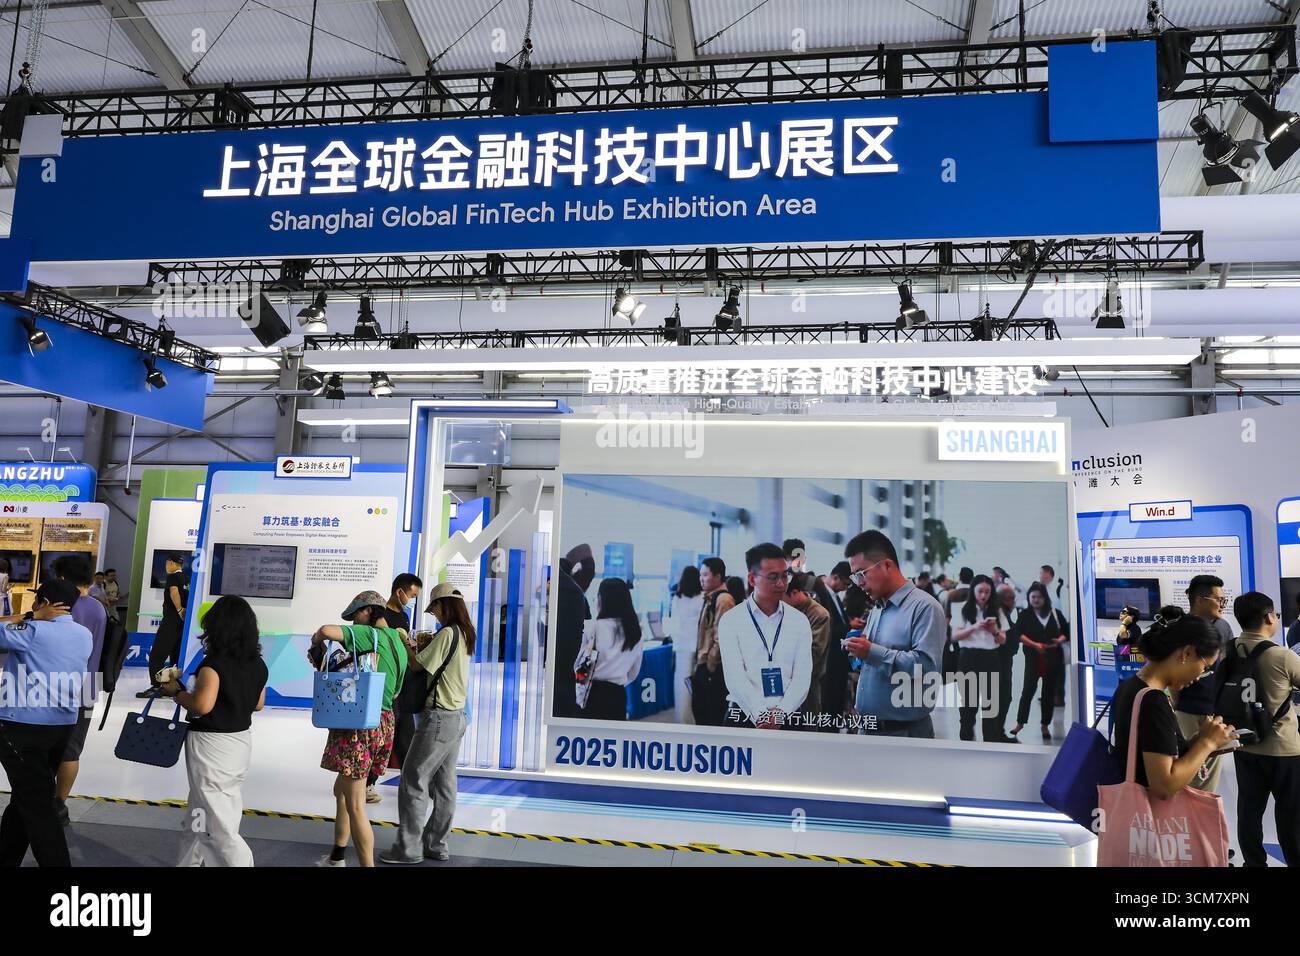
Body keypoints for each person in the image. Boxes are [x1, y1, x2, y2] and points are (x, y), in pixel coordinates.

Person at [159, 595, 267, 867]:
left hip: (210, 746)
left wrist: (177, 693)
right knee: (200, 811)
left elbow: (202, 705)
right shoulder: (257, 664)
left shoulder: (213, 665)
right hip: (239, 742)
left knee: (219, 826)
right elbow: (258, 703)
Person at [310, 590, 409, 868]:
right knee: (342, 790)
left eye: (356, 616)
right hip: (385, 723)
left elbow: (326, 630)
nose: (355, 622)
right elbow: (397, 689)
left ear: (368, 611)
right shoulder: (399, 645)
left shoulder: (371, 636)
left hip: (359, 726)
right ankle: (337, 856)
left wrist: (317, 639)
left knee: (355, 804)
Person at [381, 583, 475, 865]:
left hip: (438, 718)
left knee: (413, 779)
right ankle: (436, 844)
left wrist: (403, 640)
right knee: (445, 784)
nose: (434, 614)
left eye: (434, 608)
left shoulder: (447, 633)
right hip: (458, 716)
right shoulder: (465, 633)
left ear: (445, 605)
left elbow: (416, 665)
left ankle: (407, 849)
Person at [0, 580, 92, 867]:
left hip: (21, 727)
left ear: (44, 602)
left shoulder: (32, 631)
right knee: (27, 798)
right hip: (60, 727)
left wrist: (30, 618)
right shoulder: (83, 634)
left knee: (37, 806)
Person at [1110, 606, 1234, 801]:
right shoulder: (1153, 700)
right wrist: (1207, 743)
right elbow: (1164, 786)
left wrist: (1200, 740)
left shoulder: (1132, 685)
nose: (1200, 677)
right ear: (1187, 653)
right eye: (1204, 667)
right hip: (1150, 821)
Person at [843, 531, 945, 738]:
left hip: (903, 733)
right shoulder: (878, 608)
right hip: (869, 728)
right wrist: (859, 653)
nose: (859, 582)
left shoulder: (924, 607)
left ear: (887, 565)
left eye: (862, 573)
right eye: (854, 577)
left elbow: (925, 668)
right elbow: (874, 661)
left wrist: (872, 652)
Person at [1225, 591, 1300, 867]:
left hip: (1244, 743)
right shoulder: (1281, 655)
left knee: (1249, 810)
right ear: (1269, 617)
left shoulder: (1228, 649)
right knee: (1291, 813)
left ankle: (1254, 864)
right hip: (1283, 747)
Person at [717, 543, 812, 728]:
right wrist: (760, 714)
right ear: (752, 579)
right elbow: (735, 677)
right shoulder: (731, 620)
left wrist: (779, 715)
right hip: (743, 715)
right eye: (773, 577)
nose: (781, 584)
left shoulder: (799, 621)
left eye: (785, 576)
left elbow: (802, 677)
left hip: (788, 716)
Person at [51, 554, 106, 825]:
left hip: (59, 685)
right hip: (90, 685)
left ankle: (43, 800)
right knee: (72, 749)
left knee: (47, 745)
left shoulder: (63, 606)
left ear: (62, 577)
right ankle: (60, 805)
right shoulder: (99, 607)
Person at [1173, 575, 1233, 792]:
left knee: (1208, 779)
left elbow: (1226, 669)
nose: (1222, 605)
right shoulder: (1179, 627)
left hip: (1214, 711)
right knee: (1188, 772)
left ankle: (1201, 820)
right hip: (1187, 712)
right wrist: (1177, 703)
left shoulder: (1223, 627)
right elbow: (1172, 679)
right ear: (1200, 599)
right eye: (1219, 600)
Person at [368, 572, 424, 805]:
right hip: (382, 685)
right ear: (399, 591)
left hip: (403, 684)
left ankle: (410, 783)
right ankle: (367, 783)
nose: (411, 599)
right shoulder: (379, 614)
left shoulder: (405, 617)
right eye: (410, 595)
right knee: (379, 738)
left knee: (406, 737)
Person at [951, 575, 1015, 743]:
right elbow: (954, 636)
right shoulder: (962, 608)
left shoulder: (997, 610)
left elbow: (1003, 640)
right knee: (967, 707)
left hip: (990, 658)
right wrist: (974, 627)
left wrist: (994, 630)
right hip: (968, 658)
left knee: (991, 706)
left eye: (987, 591)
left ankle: (991, 743)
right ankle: (966, 741)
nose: (983, 595)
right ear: (973, 591)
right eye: (980, 591)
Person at [577, 578, 645, 721]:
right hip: (618, 695)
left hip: (592, 693)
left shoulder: (593, 628)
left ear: (602, 600)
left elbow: (578, 664)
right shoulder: (636, 632)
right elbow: (634, 672)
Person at [1010, 581, 1069, 742]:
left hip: (1053, 658)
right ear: (1029, 597)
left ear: (1045, 598)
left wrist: (1059, 640)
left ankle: (1045, 725)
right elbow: (1018, 633)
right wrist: (1034, 645)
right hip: (1033, 659)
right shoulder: (1024, 615)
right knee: (1027, 691)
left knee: (1048, 693)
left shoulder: (1054, 613)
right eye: (1033, 596)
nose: (1036, 600)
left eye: (1039, 597)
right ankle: (1020, 723)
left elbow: (1066, 631)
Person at [693, 557, 736, 726]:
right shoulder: (711, 598)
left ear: (718, 576)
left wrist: (710, 664)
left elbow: (722, 636)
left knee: (710, 717)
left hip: (713, 668)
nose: (701, 579)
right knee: (702, 714)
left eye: (705, 574)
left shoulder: (724, 600)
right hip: (705, 663)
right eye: (700, 575)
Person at [553, 546, 593, 718]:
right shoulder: (576, 590)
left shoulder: (566, 588)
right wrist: (569, 560)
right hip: (567, 673)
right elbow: (587, 556)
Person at [783, 571, 830, 719]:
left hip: (806, 688)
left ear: (794, 593)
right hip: (779, 688)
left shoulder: (818, 615)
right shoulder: (783, 611)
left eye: (781, 597)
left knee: (805, 733)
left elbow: (813, 655)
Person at [141, 553, 188, 697]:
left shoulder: (173, 577)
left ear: (172, 563)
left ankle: (157, 686)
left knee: (157, 655)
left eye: (167, 563)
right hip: (182, 624)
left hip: (171, 621)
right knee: (176, 656)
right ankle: (172, 687)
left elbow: (174, 592)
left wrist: (179, 609)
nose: (166, 566)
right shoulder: (187, 578)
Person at [667, 566, 704, 724]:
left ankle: (681, 718)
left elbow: (674, 624)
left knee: (680, 683)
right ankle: (692, 719)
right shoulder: (702, 598)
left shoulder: (676, 598)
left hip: (680, 646)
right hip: (695, 645)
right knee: (694, 685)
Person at [993, 582, 1021, 740]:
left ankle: (998, 731)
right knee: (1000, 698)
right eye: (1011, 598)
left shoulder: (1007, 613)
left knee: (1004, 697)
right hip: (999, 662)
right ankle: (996, 733)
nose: (1014, 600)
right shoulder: (998, 614)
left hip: (1006, 661)